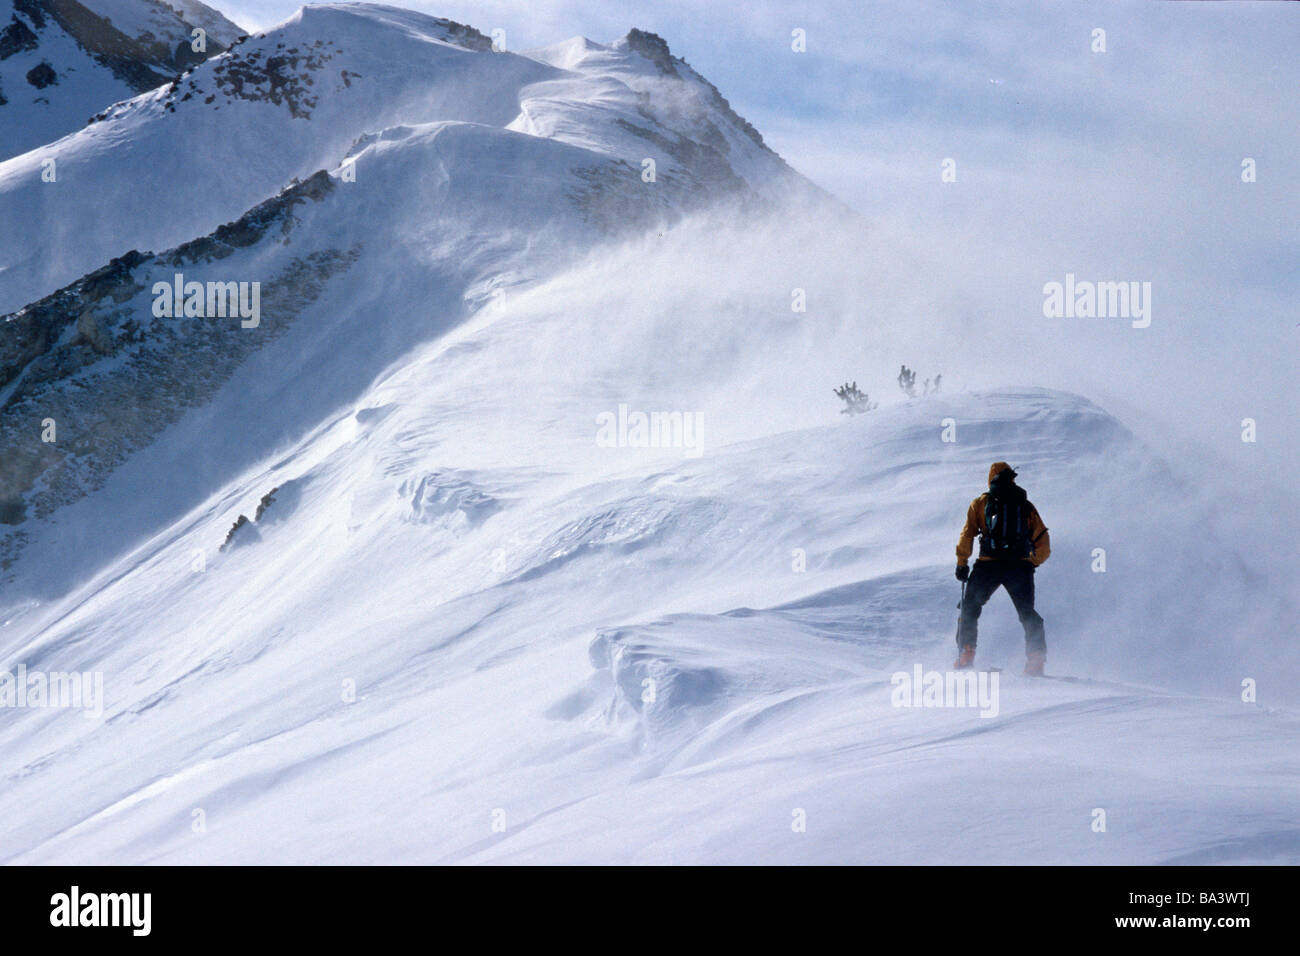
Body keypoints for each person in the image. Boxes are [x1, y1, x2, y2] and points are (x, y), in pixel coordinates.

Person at [953, 462, 1050, 674]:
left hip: (988, 564)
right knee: (1026, 612)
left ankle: (966, 652)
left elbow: (967, 533)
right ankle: (1036, 659)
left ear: (990, 478)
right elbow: (1043, 540)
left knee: (970, 607)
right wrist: (1032, 561)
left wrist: (962, 563)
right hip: (1019, 566)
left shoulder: (981, 503)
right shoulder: (1025, 505)